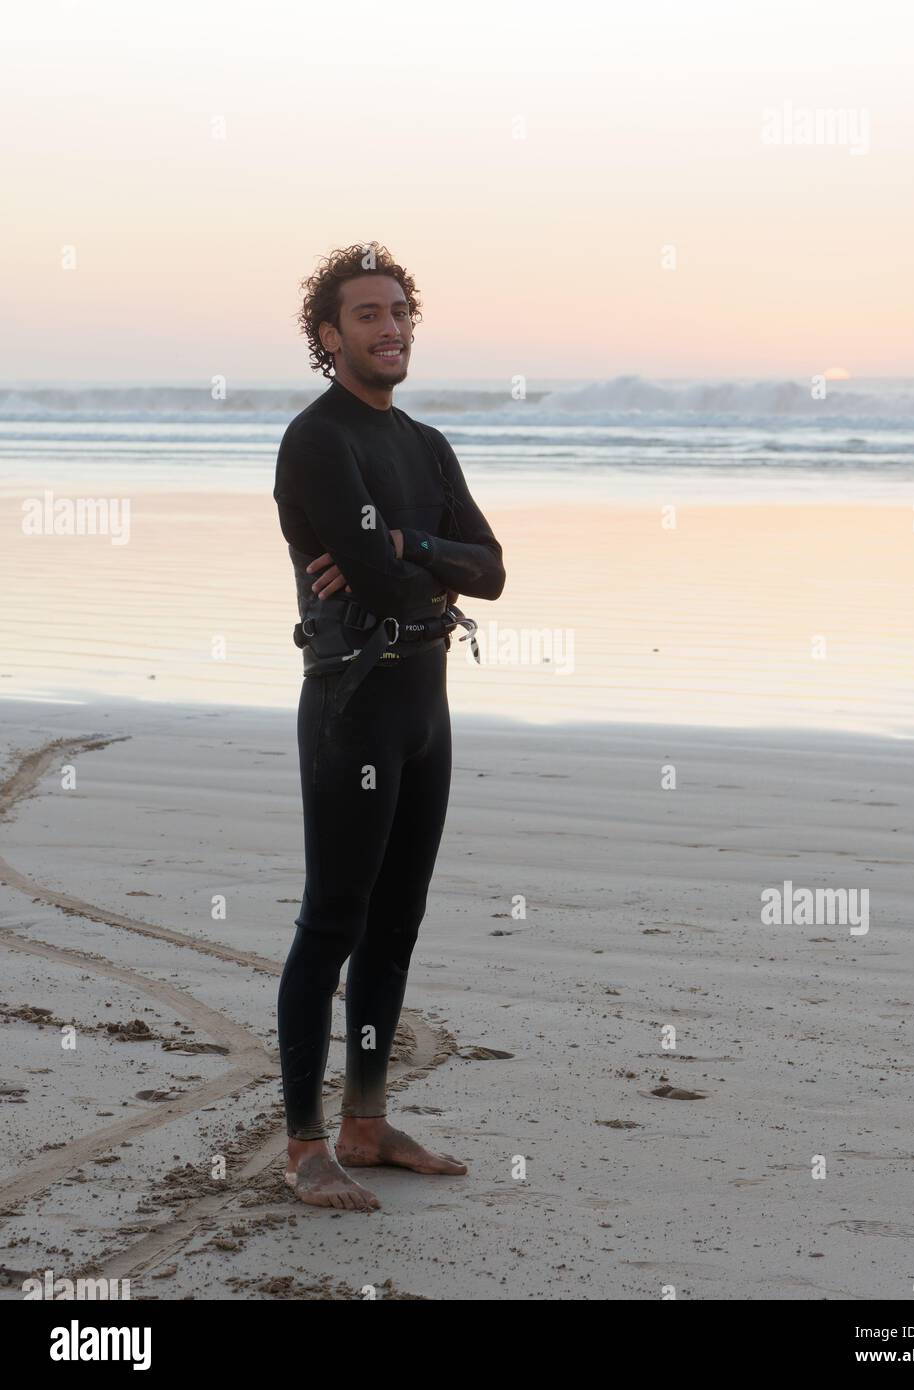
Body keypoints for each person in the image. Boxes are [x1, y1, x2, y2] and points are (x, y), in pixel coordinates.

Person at [272, 243, 506, 1209]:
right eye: (367, 315)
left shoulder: (425, 444)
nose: (390, 327)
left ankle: (367, 1121)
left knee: (397, 922)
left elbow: (490, 569)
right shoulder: (318, 441)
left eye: (401, 311)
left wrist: (407, 541)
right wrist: (410, 563)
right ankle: (305, 1145)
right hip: (353, 705)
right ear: (329, 339)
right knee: (335, 918)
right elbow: (370, 581)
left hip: (426, 703)